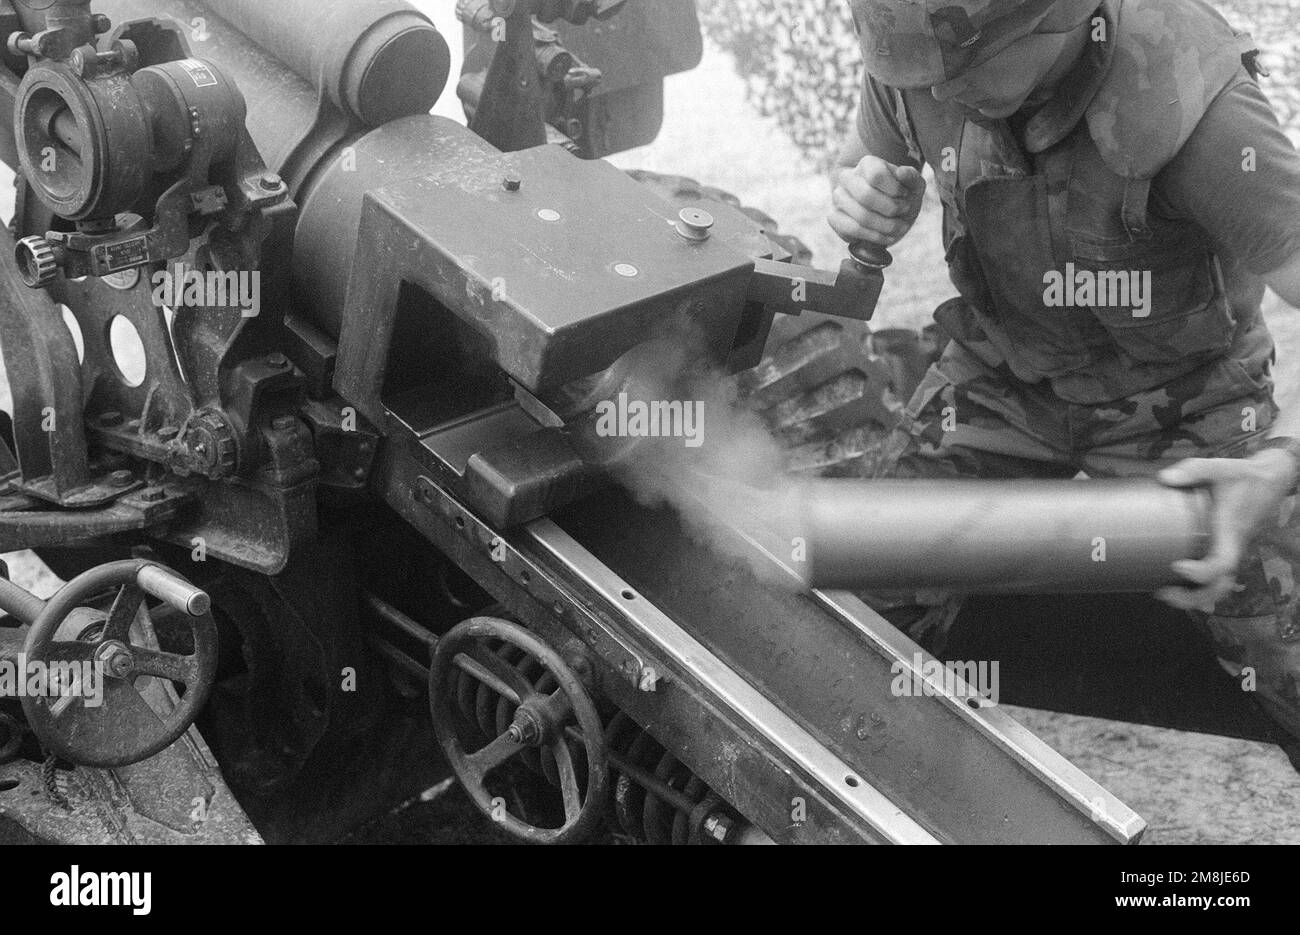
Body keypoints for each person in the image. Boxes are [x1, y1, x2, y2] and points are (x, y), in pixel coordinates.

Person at [831, 0, 1300, 759]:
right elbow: (858, 157)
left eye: (965, 73)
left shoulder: (1199, 107)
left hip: (1184, 398)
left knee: (1283, 645)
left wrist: (1280, 463)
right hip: (1002, 371)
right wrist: (861, 194)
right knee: (865, 590)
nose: (939, 98)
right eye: (919, 78)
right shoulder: (920, 54)